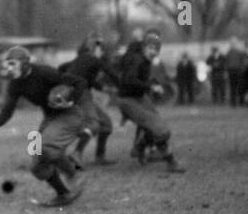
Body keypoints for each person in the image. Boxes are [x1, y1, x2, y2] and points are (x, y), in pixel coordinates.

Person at [0, 46, 88, 206]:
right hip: (51, 117)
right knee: (37, 163)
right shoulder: (16, 84)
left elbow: (80, 82)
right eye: (8, 64)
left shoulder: (44, 72)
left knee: (46, 147)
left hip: (69, 114)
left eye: (13, 63)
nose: (9, 68)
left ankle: (73, 174)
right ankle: (63, 194)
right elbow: (8, 108)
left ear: (25, 63)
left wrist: (71, 98)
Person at [115, 32, 186, 173]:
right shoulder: (138, 60)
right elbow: (130, 80)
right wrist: (150, 86)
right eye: (150, 48)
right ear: (144, 48)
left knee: (157, 125)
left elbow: (139, 82)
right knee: (160, 130)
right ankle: (170, 162)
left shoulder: (145, 61)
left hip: (137, 96)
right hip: (128, 99)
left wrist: (153, 87)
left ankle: (140, 146)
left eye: (156, 49)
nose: (153, 51)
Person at [57, 34, 117, 165]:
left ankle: (99, 157)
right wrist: (122, 85)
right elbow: (111, 73)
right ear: (94, 48)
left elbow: (62, 68)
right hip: (82, 95)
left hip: (73, 94)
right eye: (100, 48)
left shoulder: (79, 60)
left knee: (106, 124)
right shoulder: (93, 59)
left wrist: (102, 87)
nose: (102, 51)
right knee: (93, 124)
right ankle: (76, 153)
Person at [224, 38, 248, 106]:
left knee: (239, 87)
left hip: (238, 71)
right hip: (232, 72)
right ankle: (234, 102)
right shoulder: (229, 52)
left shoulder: (239, 52)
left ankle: (240, 101)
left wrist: (242, 70)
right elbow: (227, 63)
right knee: (233, 87)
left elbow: (243, 62)